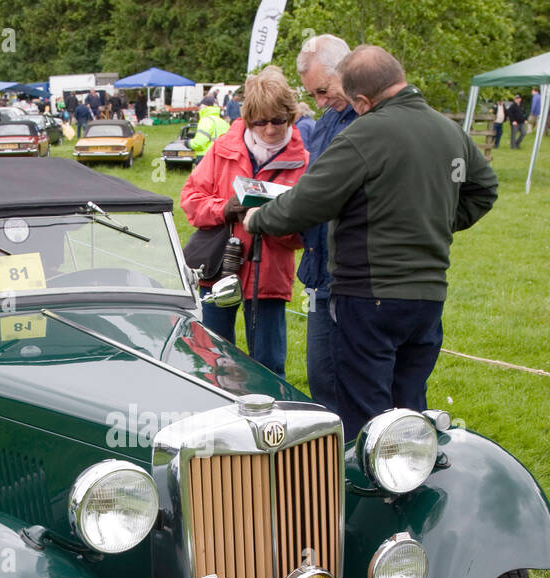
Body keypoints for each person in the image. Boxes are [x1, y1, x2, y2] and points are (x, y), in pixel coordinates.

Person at [243, 45, 497, 439]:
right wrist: (434, 223)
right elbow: (484, 189)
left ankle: (366, 478)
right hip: (428, 297)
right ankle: (412, 472)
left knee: (366, 418)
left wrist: (259, 218)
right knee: (409, 408)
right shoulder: (449, 131)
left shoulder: (364, 134)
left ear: (362, 100)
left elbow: (309, 200)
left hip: (369, 296)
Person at [179, 66, 308, 377]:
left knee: (268, 365)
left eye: (278, 120)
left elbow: (306, 230)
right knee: (211, 358)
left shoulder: (303, 161)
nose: (269, 129)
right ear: (248, 119)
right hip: (218, 267)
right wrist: (224, 209)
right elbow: (190, 200)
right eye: (260, 122)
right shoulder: (223, 148)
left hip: (268, 274)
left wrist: (271, 220)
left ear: (290, 116)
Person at [294, 32, 356, 414]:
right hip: (319, 274)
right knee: (321, 379)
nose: (319, 102)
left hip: (354, 278)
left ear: (345, 71)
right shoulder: (327, 120)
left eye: (322, 90)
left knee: (359, 385)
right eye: (312, 94)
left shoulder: (371, 122)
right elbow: (314, 187)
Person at [189, 99, 229, 164]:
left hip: (206, 158)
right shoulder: (224, 122)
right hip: (222, 158)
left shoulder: (205, 121)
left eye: (200, 106)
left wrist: (189, 143)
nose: (198, 109)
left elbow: (199, 143)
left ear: (205, 107)